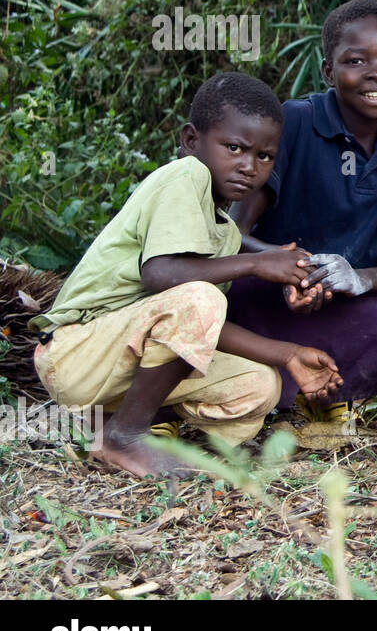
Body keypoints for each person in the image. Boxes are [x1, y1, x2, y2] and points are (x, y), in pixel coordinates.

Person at [29, 73, 342, 477]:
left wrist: (289, 354)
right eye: (234, 148)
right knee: (201, 296)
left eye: (264, 156)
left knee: (261, 384)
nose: (249, 166)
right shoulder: (184, 175)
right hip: (75, 352)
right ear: (192, 140)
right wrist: (257, 263)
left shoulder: (225, 229)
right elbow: (163, 274)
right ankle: (124, 437)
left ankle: (115, 421)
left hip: (116, 364)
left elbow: (197, 324)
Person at [227, 0, 377, 419]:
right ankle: (299, 385)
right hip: (269, 296)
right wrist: (291, 271)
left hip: (349, 305)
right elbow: (232, 232)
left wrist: (356, 278)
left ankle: (330, 388)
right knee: (219, 301)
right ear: (328, 72)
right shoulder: (295, 122)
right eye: (357, 60)